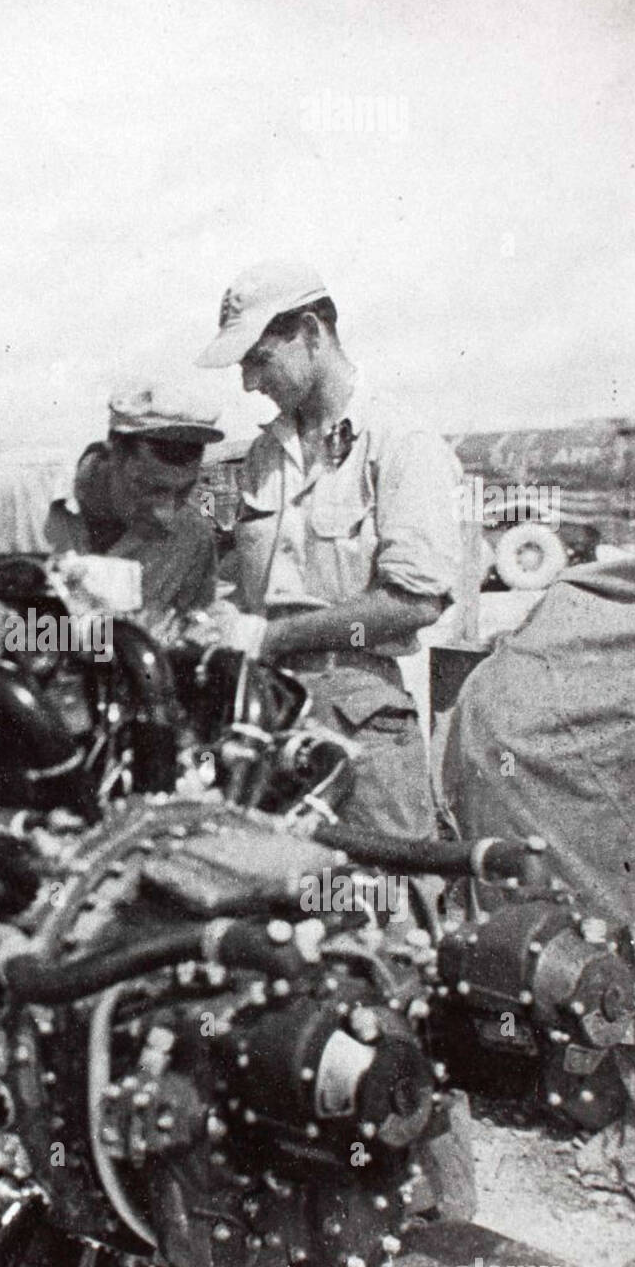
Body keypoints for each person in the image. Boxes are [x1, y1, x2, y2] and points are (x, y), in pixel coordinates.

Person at [189, 258, 463, 929]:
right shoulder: (262, 456)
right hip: (268, 719)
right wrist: (223, 615)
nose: (250, 383)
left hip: (362, 726)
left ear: (311, 332)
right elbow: (249, 580)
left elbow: (415, 603)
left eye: (259, 359)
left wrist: (272, 636)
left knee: (392, 917)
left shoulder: (401, 444)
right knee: (288, 915)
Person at [0, 379, 224, 651]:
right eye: (148, 488)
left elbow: (200, 629)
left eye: (183, 492)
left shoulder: (191, 539)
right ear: (111, 453)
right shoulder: (5, 496)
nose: (166, 514)